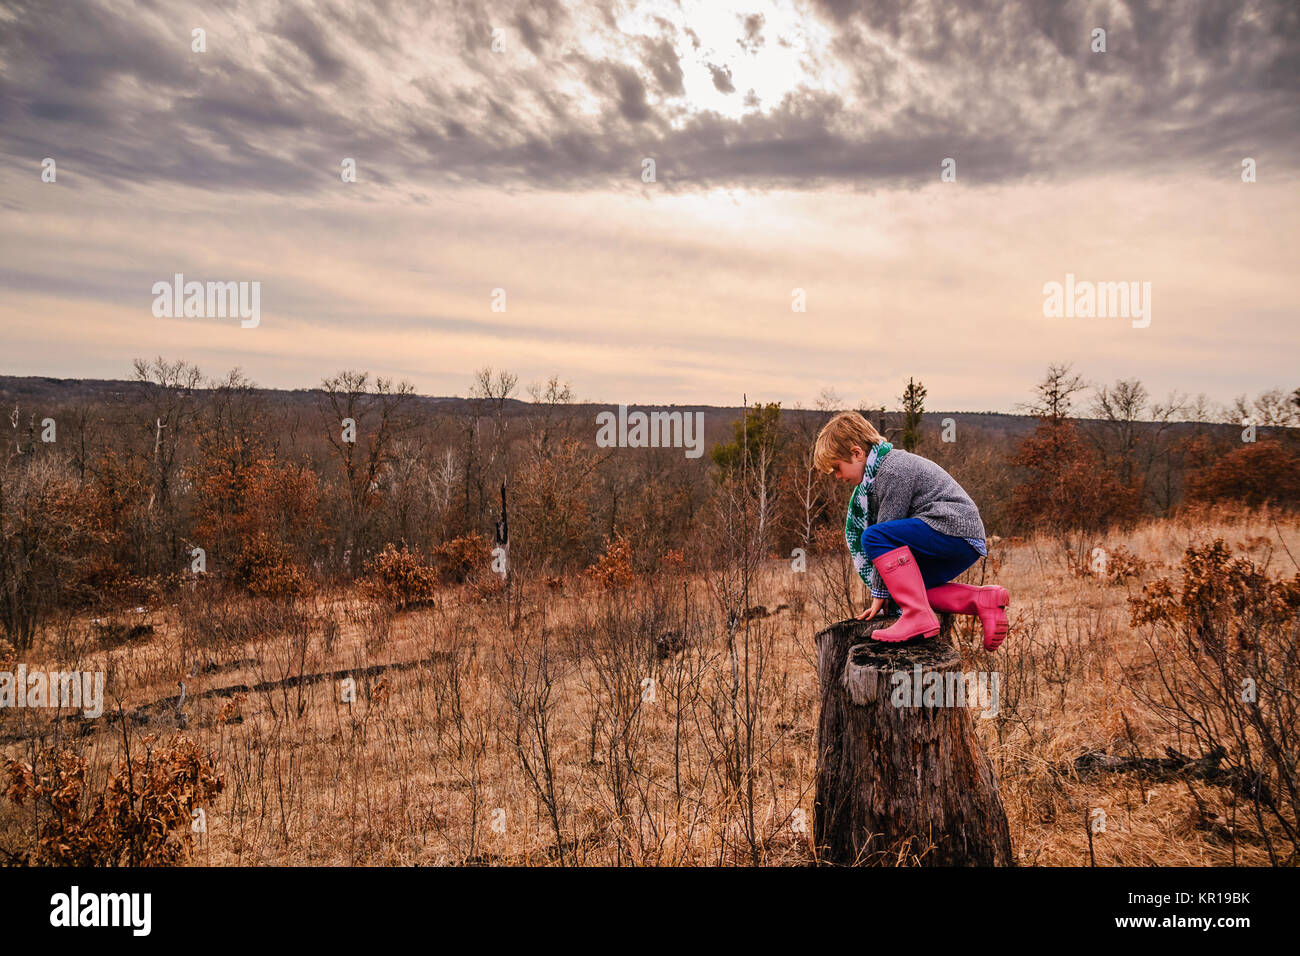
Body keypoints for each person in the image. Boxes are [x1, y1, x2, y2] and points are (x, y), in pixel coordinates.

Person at [812, 410, 1010, 650]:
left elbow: (884, 532)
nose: (838, 477)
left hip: (951, 527)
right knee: (911, 588)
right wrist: (885, 592)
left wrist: (878, 593)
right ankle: (980, 600)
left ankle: (917, 616)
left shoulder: (892, 470)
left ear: (857, 453)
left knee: (873, 535)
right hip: (959, 540)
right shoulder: (881, 473)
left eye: (837, 468)